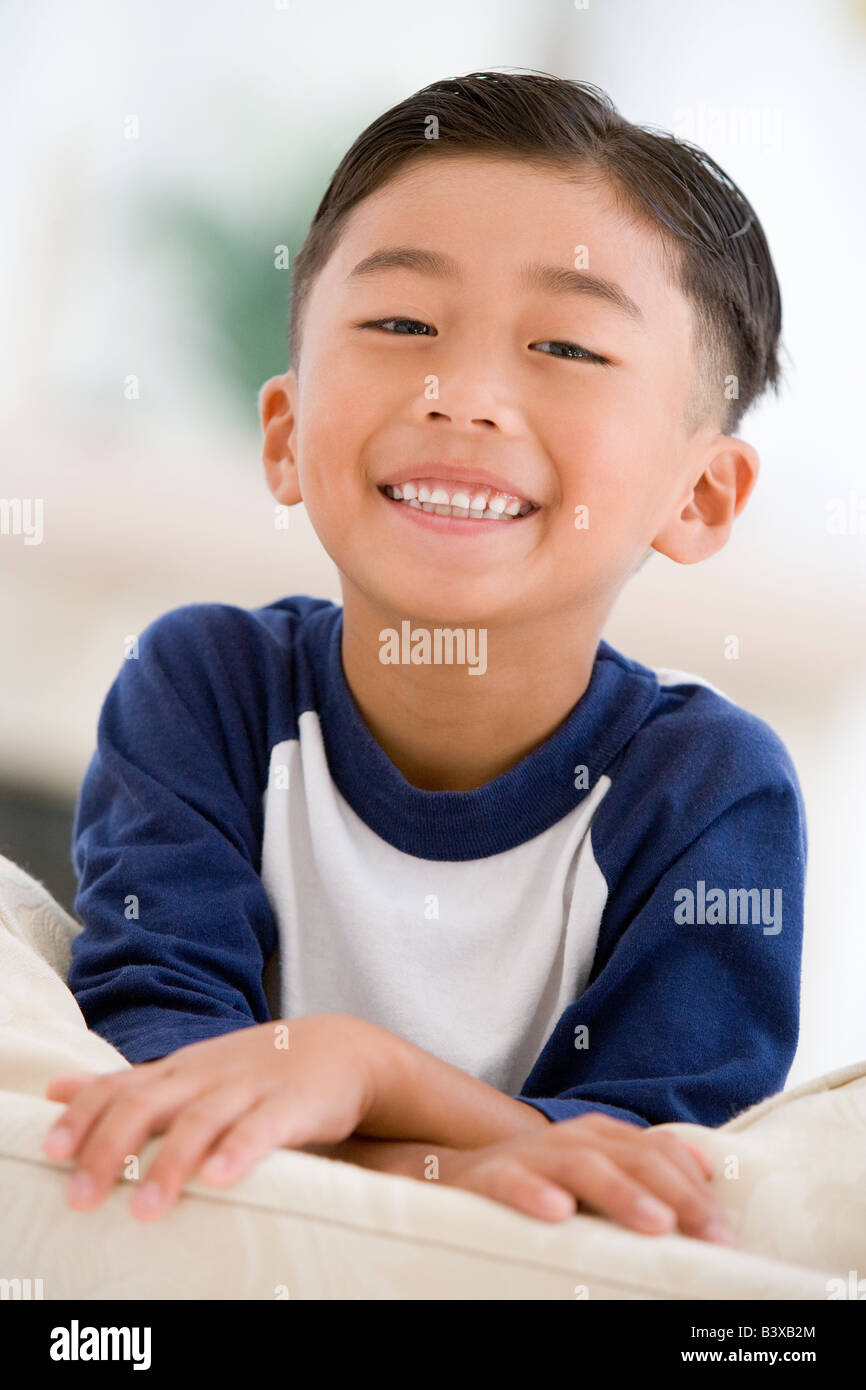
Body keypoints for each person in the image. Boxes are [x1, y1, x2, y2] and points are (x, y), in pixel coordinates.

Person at [45, 72, 805, 1249]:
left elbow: (639, 1183)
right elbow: (159, 1057)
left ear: (700, 493)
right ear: (288, 432)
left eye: (566, 343)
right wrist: (442, 1147)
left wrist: (361, 1078)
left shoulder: (713, 793)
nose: (463, 397)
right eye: (401, 325)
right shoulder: (201, 687)